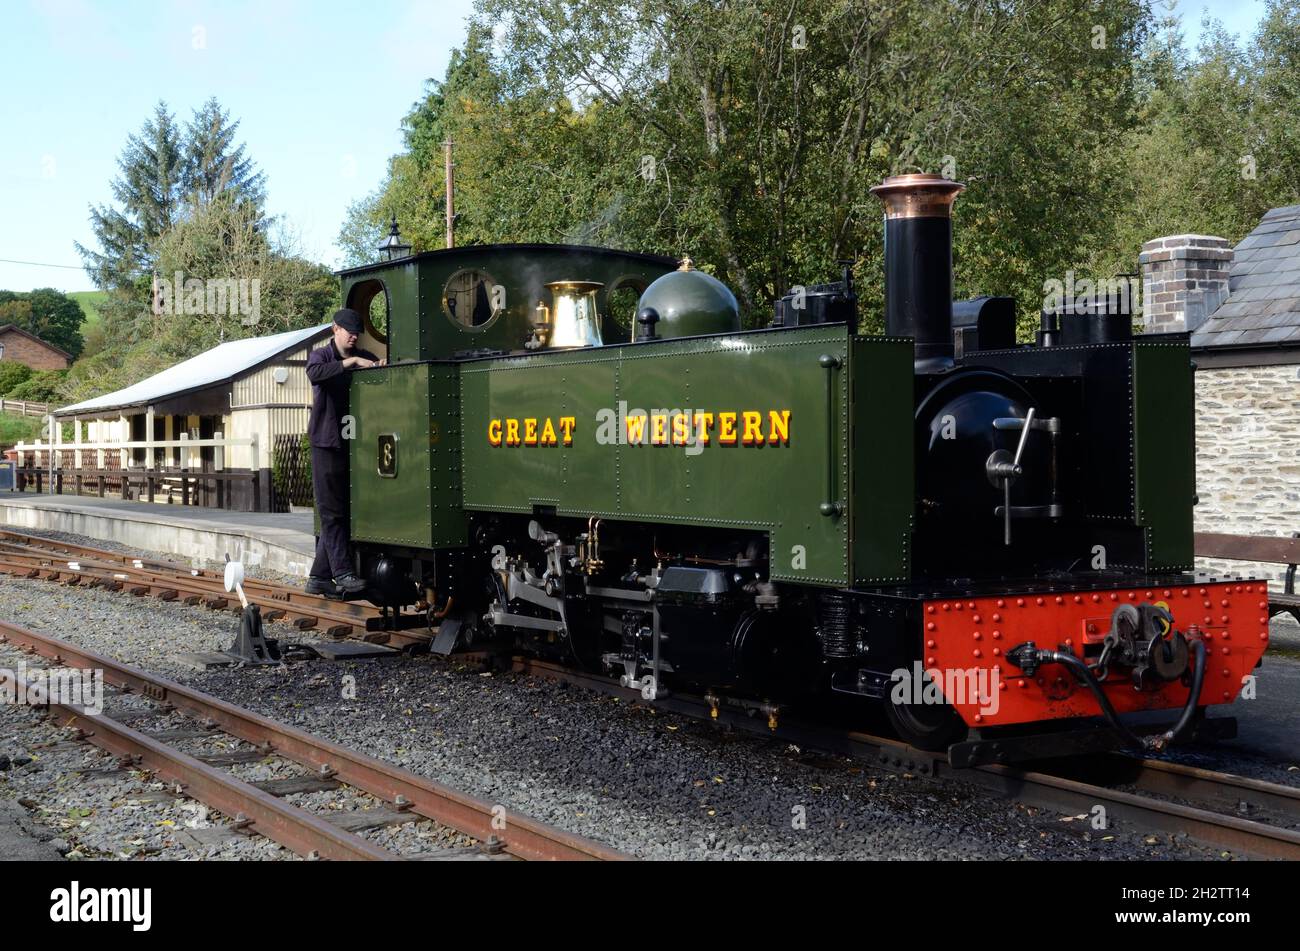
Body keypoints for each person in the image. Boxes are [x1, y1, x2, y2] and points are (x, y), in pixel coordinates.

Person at [304, 308, 383, 596]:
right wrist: (350, 363)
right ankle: (342, 572)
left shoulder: (364, 356)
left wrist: (378, 365)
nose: (353, 336)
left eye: (356, 332)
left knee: (340, 512)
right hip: (326, 443)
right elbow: (314, 373)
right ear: (335, 329)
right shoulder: (321, 356)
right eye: (348, 331)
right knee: (331, 513)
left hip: (353, 444)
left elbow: (381, 368)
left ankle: (319, 578)